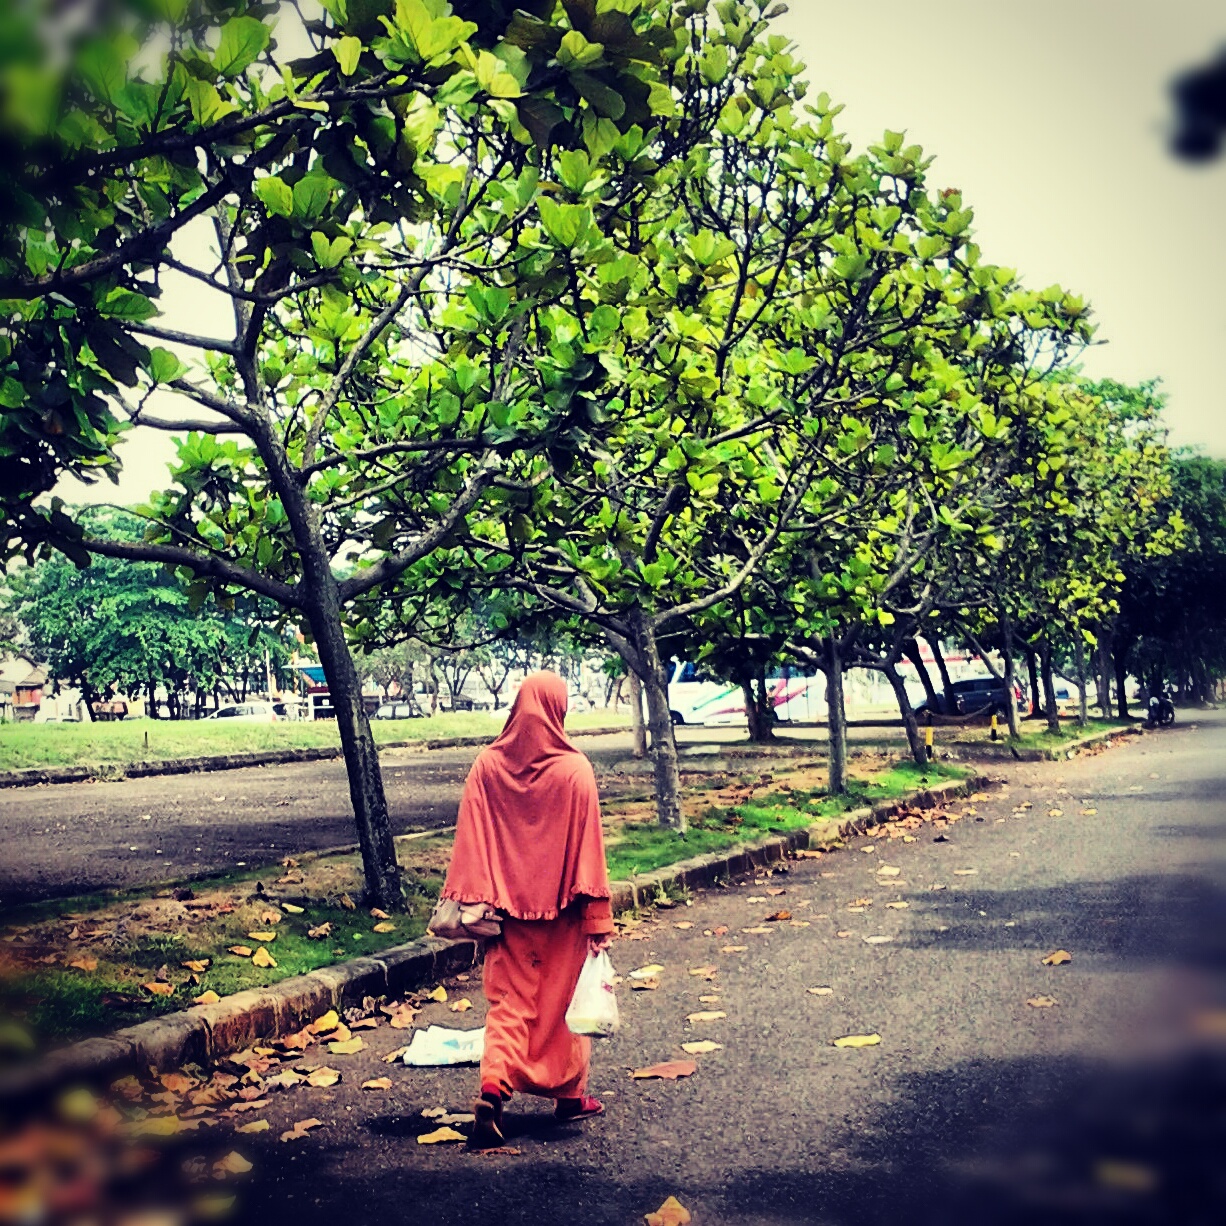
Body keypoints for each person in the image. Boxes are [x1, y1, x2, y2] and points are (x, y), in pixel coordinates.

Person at [439, 670, 614, 1148]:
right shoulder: (575, 770)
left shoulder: (487, 766)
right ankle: (570, 1098)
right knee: (565, 1007)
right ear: (558, 710)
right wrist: (598, 919)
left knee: (509, 1006)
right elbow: (589, 852)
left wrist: (477, 896)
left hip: (506, 917)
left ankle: (494, 1086)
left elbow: (471, 839)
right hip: (565, 917)